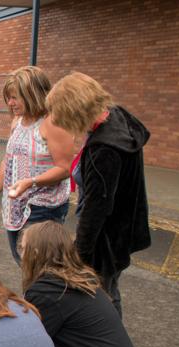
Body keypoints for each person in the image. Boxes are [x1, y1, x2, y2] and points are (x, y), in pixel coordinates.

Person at [45, 72, 151, 317]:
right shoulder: (117, 117)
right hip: (123, 229)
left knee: (103, 298)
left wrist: (79, 256)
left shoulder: (104, 149)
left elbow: (97, 208)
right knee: (109, 291)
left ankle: (110, 339)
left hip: (107, 239)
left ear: (75, 111)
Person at [0, 66, 72, 264]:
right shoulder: (18, 121)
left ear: (33, 95)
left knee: (41, 266)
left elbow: (65, 168)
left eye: (15, 98)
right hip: (15, 204)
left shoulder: (53, 123)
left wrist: (31, 181)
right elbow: (8, 161)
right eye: (8, 98)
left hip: (43, 207)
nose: (10, 103)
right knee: (22, 261)